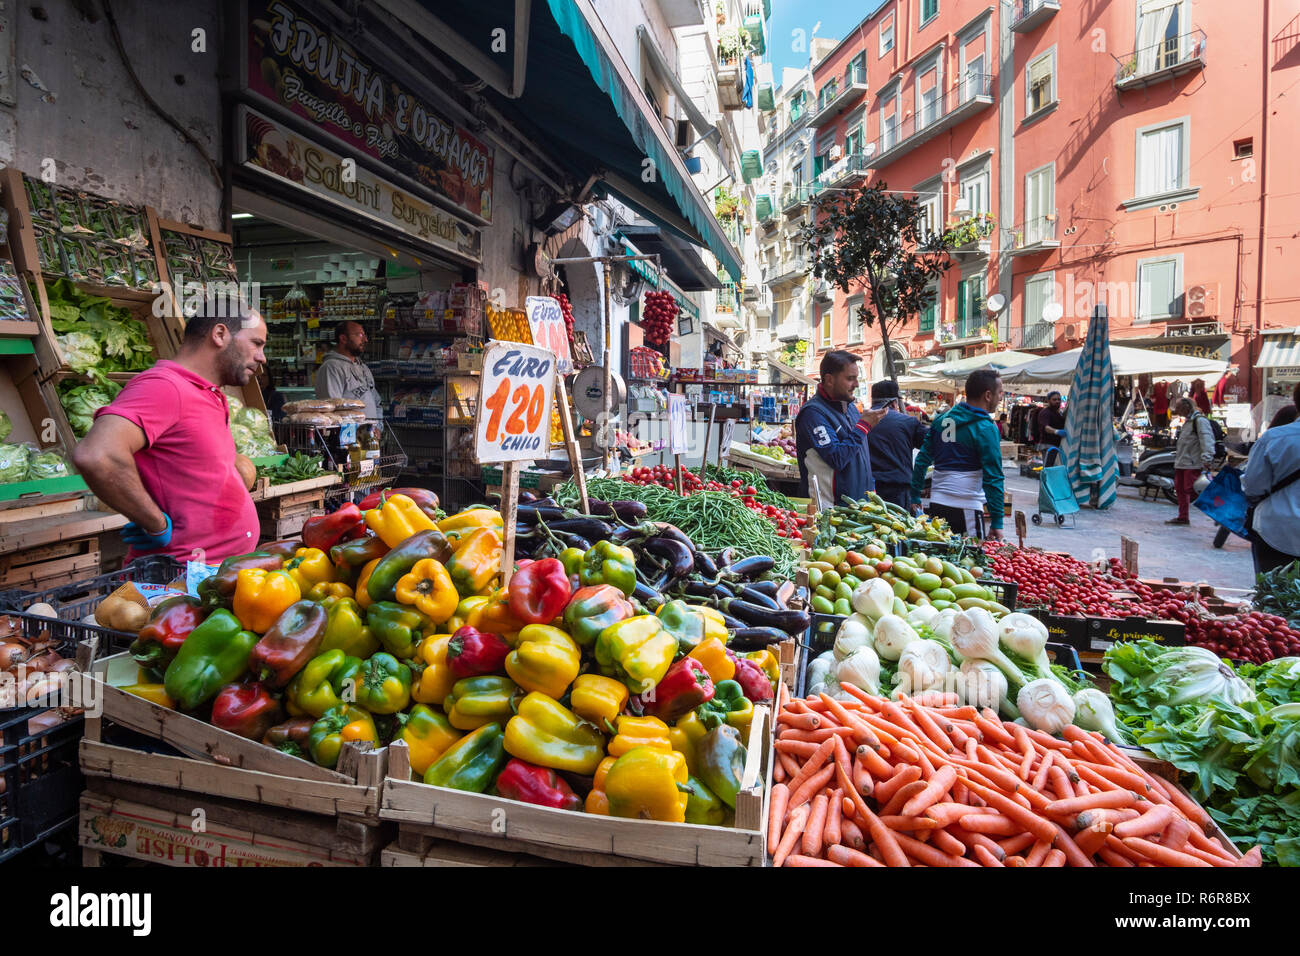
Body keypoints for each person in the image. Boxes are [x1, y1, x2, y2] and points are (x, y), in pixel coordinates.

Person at [72, 293, 267, 563]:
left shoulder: (210, 393)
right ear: (220, 334)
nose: (262, 357)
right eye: (257, 343)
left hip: (215, 576)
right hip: (177, 583)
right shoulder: (165, 387)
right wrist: (154, 523)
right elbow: (97, 455)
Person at [910, 368, 1006, 540]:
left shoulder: (941, 420)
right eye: (1000, 393)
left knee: (941, 559)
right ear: (988, 395)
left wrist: (916, 494)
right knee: (970, 562)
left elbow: (922, 460)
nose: (1001, 398)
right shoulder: (985, 428)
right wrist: (997, 521)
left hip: (937, 505)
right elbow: (994, 477)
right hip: (967, 507)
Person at [795, 350, 886, 510]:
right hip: (831, 512)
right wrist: (864, 426)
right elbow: (836, 458)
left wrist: (871, 492)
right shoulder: (813, 413)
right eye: (850, 379)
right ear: (829, 380)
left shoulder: (850, 407)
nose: (856, 384)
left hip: (859, 508)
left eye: (856, 378)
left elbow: (860, 455)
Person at [1242, 384, 1300, 574]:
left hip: (1275, 530)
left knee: (1273, 596)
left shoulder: (1274, 438)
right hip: (1275, 531)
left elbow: (1253, 486)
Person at [866, 379, 928, 511]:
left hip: (867, 490)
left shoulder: (859, 421)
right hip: (898, 491)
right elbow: (930, 446)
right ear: (894, 402)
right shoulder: (908, 422)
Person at [315, 320, 381, 418]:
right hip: (348, 432)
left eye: (364, 335)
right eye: (360, 335)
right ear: (343, 339)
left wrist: (378, 427)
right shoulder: (331, 367)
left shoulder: (363, 368)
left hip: (369, 432)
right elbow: (330, 409)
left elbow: (377, 402)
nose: (365, 340)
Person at [1167, 396, 1215, 526]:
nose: (1176, 410)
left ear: (1186, 407)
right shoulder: (1188, 421)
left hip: (1192, 463)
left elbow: (1207, 440)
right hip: (1183, 462)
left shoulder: (1199, 421)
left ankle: (1217, 510)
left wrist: (1207, 458)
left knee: (1192, 490)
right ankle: (1183, 517)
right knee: (1181, 490)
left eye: (1178, 407)